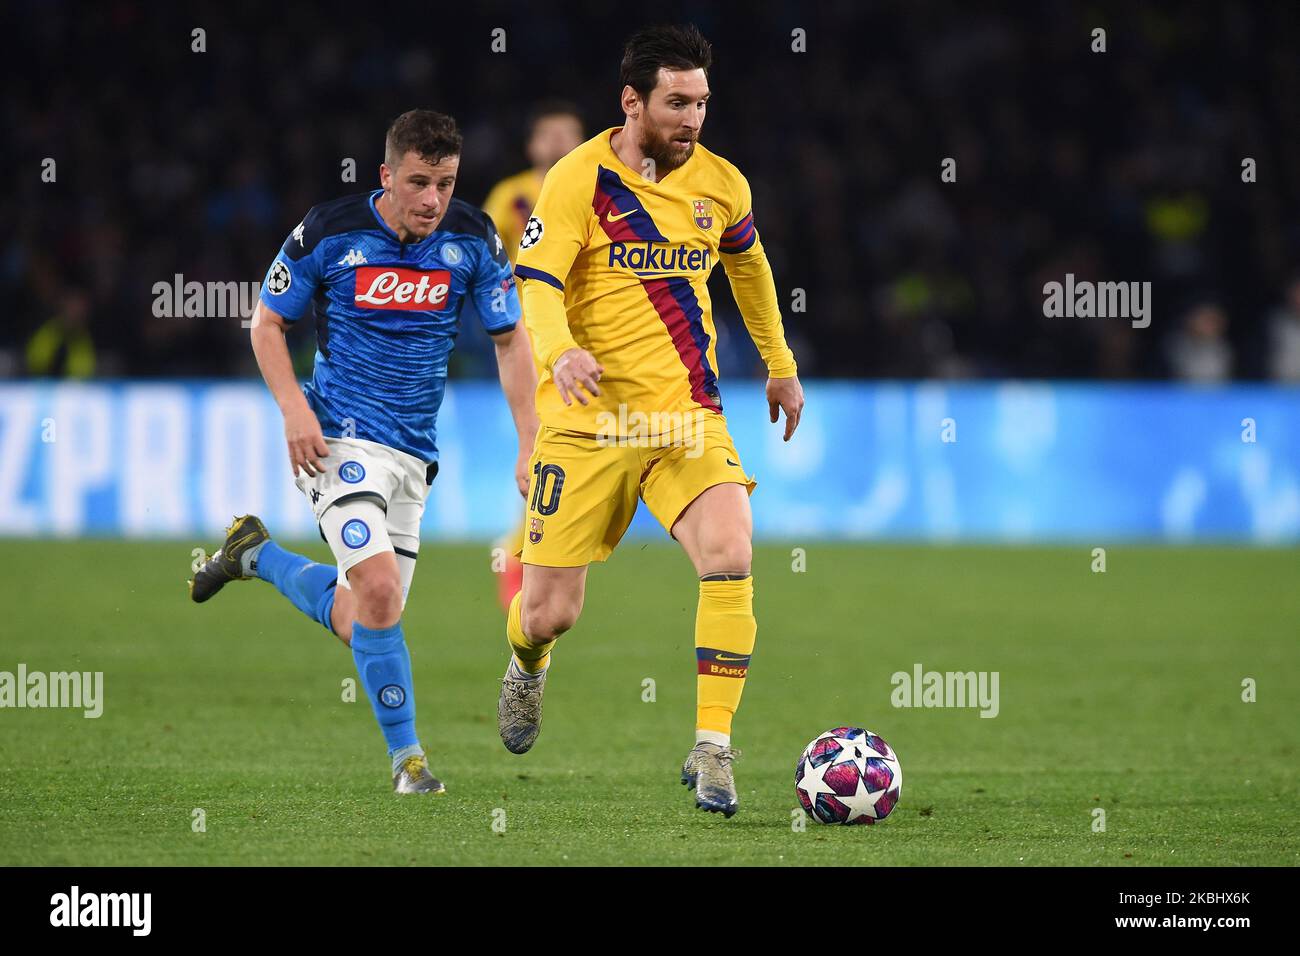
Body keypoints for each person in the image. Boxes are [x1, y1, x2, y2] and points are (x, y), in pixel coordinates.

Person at [498, 25, 804, 818]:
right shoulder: (576, 180)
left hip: (684, 419)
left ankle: (713, 747)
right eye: (676, 102)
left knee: (731, 549)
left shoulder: (721, 184)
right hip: (588, 425)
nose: (692, 118)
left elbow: (750, 266)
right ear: (632, 101)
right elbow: (534, 282)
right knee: (549, 612)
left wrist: (779, 364)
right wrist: (560, 349)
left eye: (701, 102)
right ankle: (527, 663)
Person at [189, 110, 538, 794]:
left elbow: (510, 339)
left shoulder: (471, 238)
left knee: (366, 616)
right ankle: (410, 764)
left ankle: (253, 553)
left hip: (413, 455)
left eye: (445, 182)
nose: (432, 199)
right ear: (387, 175)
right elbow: (267, 323)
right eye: (418, 182)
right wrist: (295, 410)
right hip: (337, 438)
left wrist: (530, 442)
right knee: (378, 588)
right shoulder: (330, 229)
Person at [483, 101, 585, 611]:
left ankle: (529, 549)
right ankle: (520, 551)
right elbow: (482, 257)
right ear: (532, 145)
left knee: (562, 446)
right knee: (550, 442)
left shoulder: (598, 184)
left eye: (569, 133)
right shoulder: (512, 195)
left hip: (587, 336)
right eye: (550, 134)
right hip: (531, 337)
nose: (560, 143)